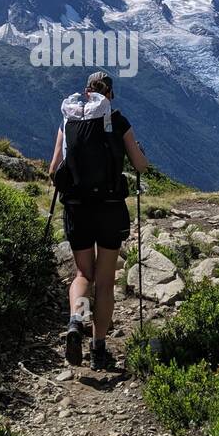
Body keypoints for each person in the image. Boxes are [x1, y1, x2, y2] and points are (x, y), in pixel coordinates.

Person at [48, 70, 148, 370]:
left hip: (77, 208)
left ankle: (76, 320)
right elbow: (141, 165)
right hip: (109, 207)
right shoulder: (117, 120)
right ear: (110, 94)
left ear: (86, 91)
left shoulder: (69, 119)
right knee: (105, 282)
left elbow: (54, 170)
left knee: (83, 274)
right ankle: (99, 348)